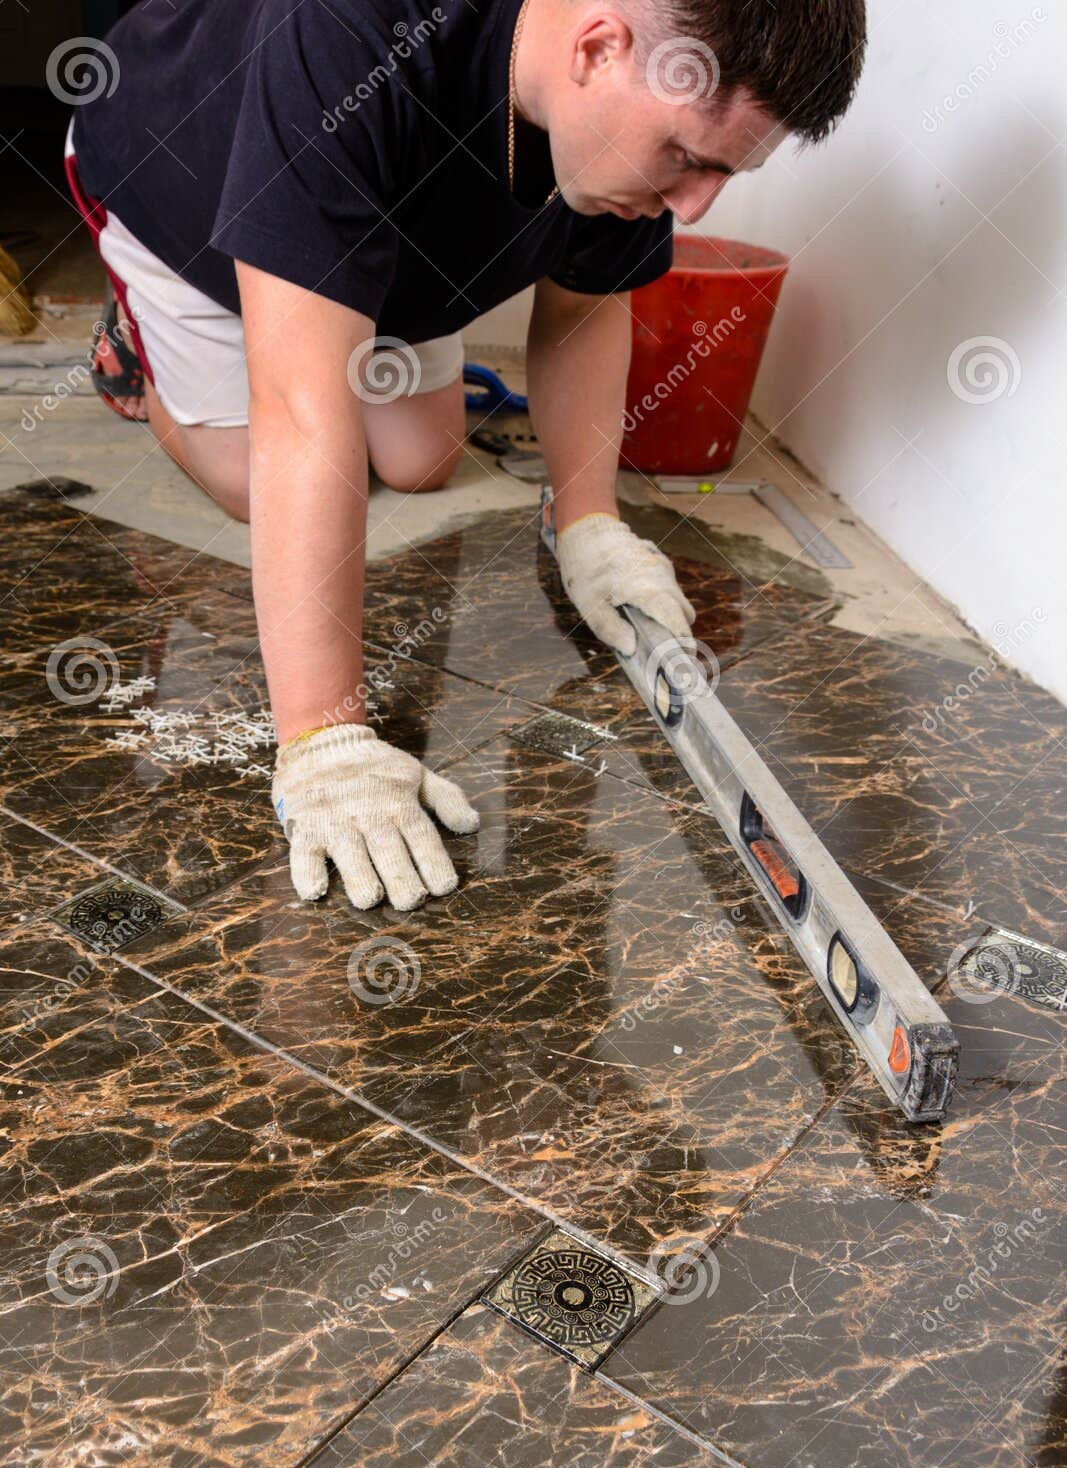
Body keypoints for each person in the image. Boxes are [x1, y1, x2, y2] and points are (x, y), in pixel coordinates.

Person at [66, 0, 866, 912]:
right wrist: (324, 739)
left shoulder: (627, 108)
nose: (693, 205)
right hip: (185, 192)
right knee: (260, 480)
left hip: (376, 231)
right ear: (597, 48)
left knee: (419, 458)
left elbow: (587, 303)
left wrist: (590, 523)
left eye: (724, 172)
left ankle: (330, 297)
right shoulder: (348, 38)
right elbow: (298, 410)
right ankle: (135, 345)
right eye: (686, 160)